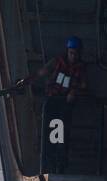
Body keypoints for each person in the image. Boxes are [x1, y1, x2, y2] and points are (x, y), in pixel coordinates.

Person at [28, 36, 86, 173]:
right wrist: (28, 81)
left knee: (60, 136)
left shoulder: (80, 68)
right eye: (71, 53)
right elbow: (42, 72)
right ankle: (50, 162)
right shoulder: (56, 63)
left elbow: (83, 84)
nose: (73, 56)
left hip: (63, 107)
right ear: (67, 52)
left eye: (76, 53)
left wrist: (73, 91)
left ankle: (58, 164)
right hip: (52, 104)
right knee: (50, 136)